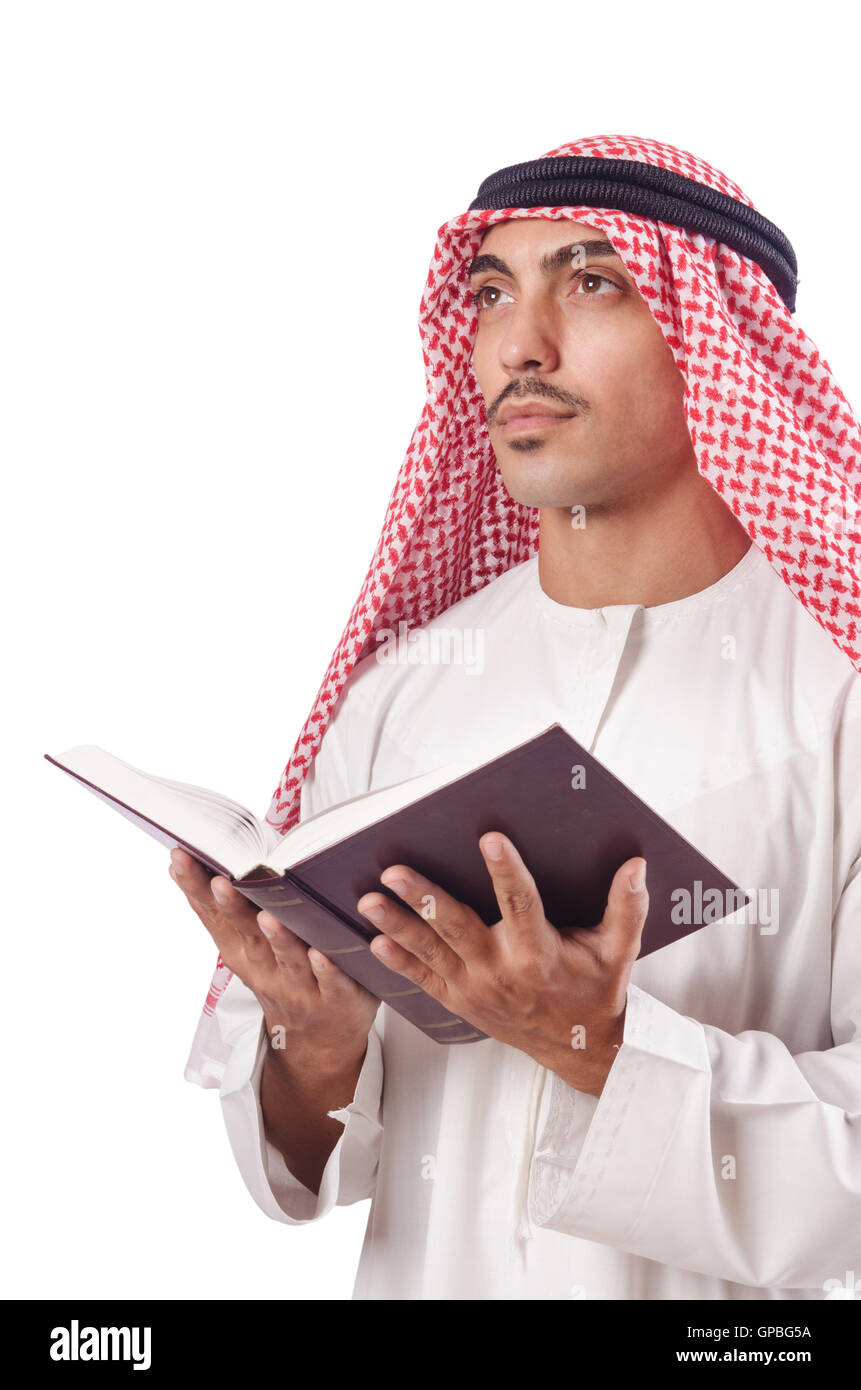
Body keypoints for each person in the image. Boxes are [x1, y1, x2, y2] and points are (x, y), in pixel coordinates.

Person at [170, 134, 861, 1300]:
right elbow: (302, 1163)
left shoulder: (837, 694)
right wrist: (314, 1047)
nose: (519, 344)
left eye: (592, 280)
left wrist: (598, 1045)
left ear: (716, 340)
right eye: (493, 290)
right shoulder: (408, 687)